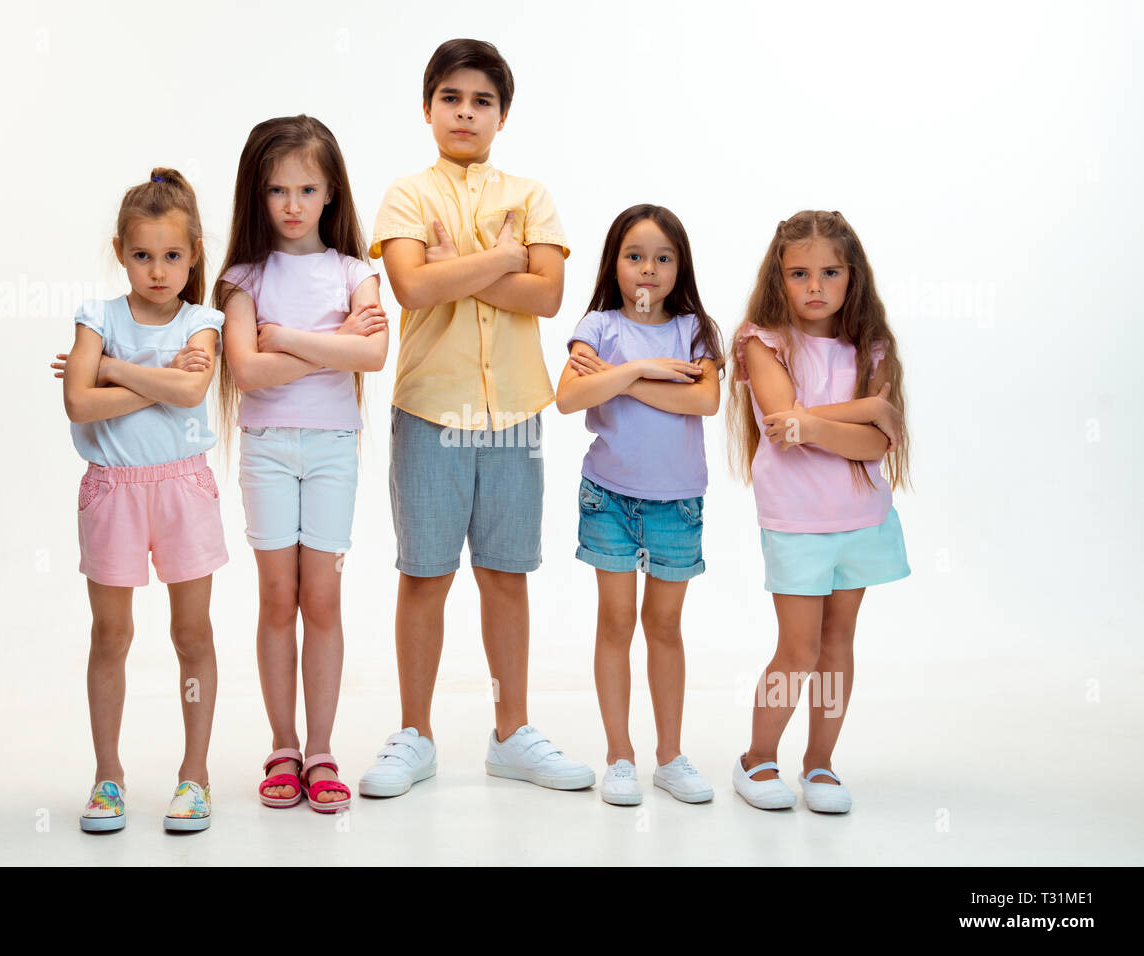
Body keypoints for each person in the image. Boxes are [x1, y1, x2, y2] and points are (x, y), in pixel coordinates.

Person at [360, 38, 593, 796]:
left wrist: (455, 266)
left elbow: (549, 296)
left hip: (517, 415)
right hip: (430, 410)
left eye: (482, 101)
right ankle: (416, 735)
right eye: (451, 98)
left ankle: (511, 732)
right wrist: (504, 259)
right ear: (427, 108)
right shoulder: (407, 194)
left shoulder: (531, 196)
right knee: (423, 575)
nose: (465, 112)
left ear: (503, 115)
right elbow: (412, 290)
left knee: (505, 576)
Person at [215, 116, 387, 813]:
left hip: (330, 451)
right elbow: (247, 372)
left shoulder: (355, 272)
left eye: (307, 188)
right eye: (277, 190)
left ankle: (320, 750)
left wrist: (284, 335)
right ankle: (281, 745)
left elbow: (372, 355)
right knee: (276, 598)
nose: (291, 204)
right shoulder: (243, 276)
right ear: (257, 196)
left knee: (323, 598)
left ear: (330, 193)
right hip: (266, 451)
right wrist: (327, 341)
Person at [54, 168, 227, 832]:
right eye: (143, 255)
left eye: (173, 256)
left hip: (183, 489)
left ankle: (195, 774)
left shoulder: (202, 321)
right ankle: (108, 776)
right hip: (113, 494)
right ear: (121, 251)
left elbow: (191, 396)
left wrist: (113, 369)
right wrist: (150, 376)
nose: (158, 270)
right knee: (111, 634)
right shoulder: (96, 316)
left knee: (192, 634)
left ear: (192, 255)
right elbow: (77, 402)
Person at [727, 210, 911, 814]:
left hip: (861, 519)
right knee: (798, 649)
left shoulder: (872, 348)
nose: (814, 286)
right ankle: (758, 757)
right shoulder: (763, 342)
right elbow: (783, 428)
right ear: (778, 279)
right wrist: (865, 411)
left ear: (851, 277)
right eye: (799, 273)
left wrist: (820, 422)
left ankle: (821, 763)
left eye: (830, 272)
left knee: (838, 646)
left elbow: (876, 446)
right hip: (797, 521)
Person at [556, 205, 724, 805]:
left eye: (662, 258)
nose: (647, 270)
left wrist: (622, 378)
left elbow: (704, 403)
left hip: (677, 502)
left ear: (680, 267)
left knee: (665, 627)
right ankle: (619, 755)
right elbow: (570, 397)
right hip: (608, 496)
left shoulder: (695, 329)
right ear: (614, 264)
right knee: (616, 624)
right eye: (634, 257)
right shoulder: (597, 325)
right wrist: (649, 368)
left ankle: (670, 756)